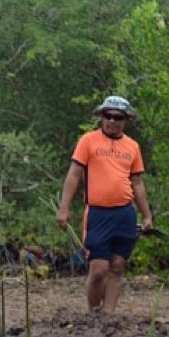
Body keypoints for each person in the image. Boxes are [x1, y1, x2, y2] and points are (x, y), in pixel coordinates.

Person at [56, 95, 152, 313]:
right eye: (108, 116)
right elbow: (74, 175)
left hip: (125, 214)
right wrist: (64, 208)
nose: (112, 121)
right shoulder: (88, 141)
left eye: (117, 117)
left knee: (117, 266)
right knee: (99, 268)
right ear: (101, 117)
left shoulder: (132, 147)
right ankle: (92, 314)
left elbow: (137, 183)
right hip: (98, 213)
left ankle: (108, 316)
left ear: (125, 120)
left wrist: (147, 216)